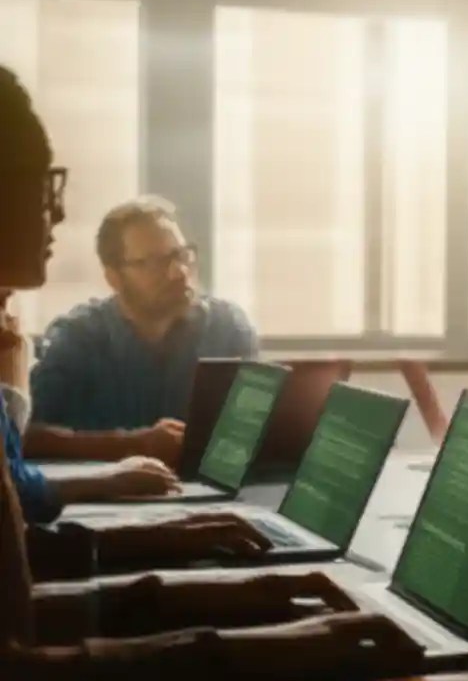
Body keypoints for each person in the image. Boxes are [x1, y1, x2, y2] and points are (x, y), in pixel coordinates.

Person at [0, 64, 424, 679]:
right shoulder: (74, 335)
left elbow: (22, 579)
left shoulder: (226, 322)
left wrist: (208, 573)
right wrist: (270, 645)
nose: (56, 215)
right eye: (43, 189)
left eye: (181, 256)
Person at [25, 196, 257, 467]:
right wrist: (134, 445)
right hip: (107, 500)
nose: (178, 272)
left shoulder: (227, 328)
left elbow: (260, 427)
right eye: (156, 262)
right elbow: (25, 437)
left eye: (181, 255)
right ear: (114, 277)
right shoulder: (78, 338)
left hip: (210, 497)